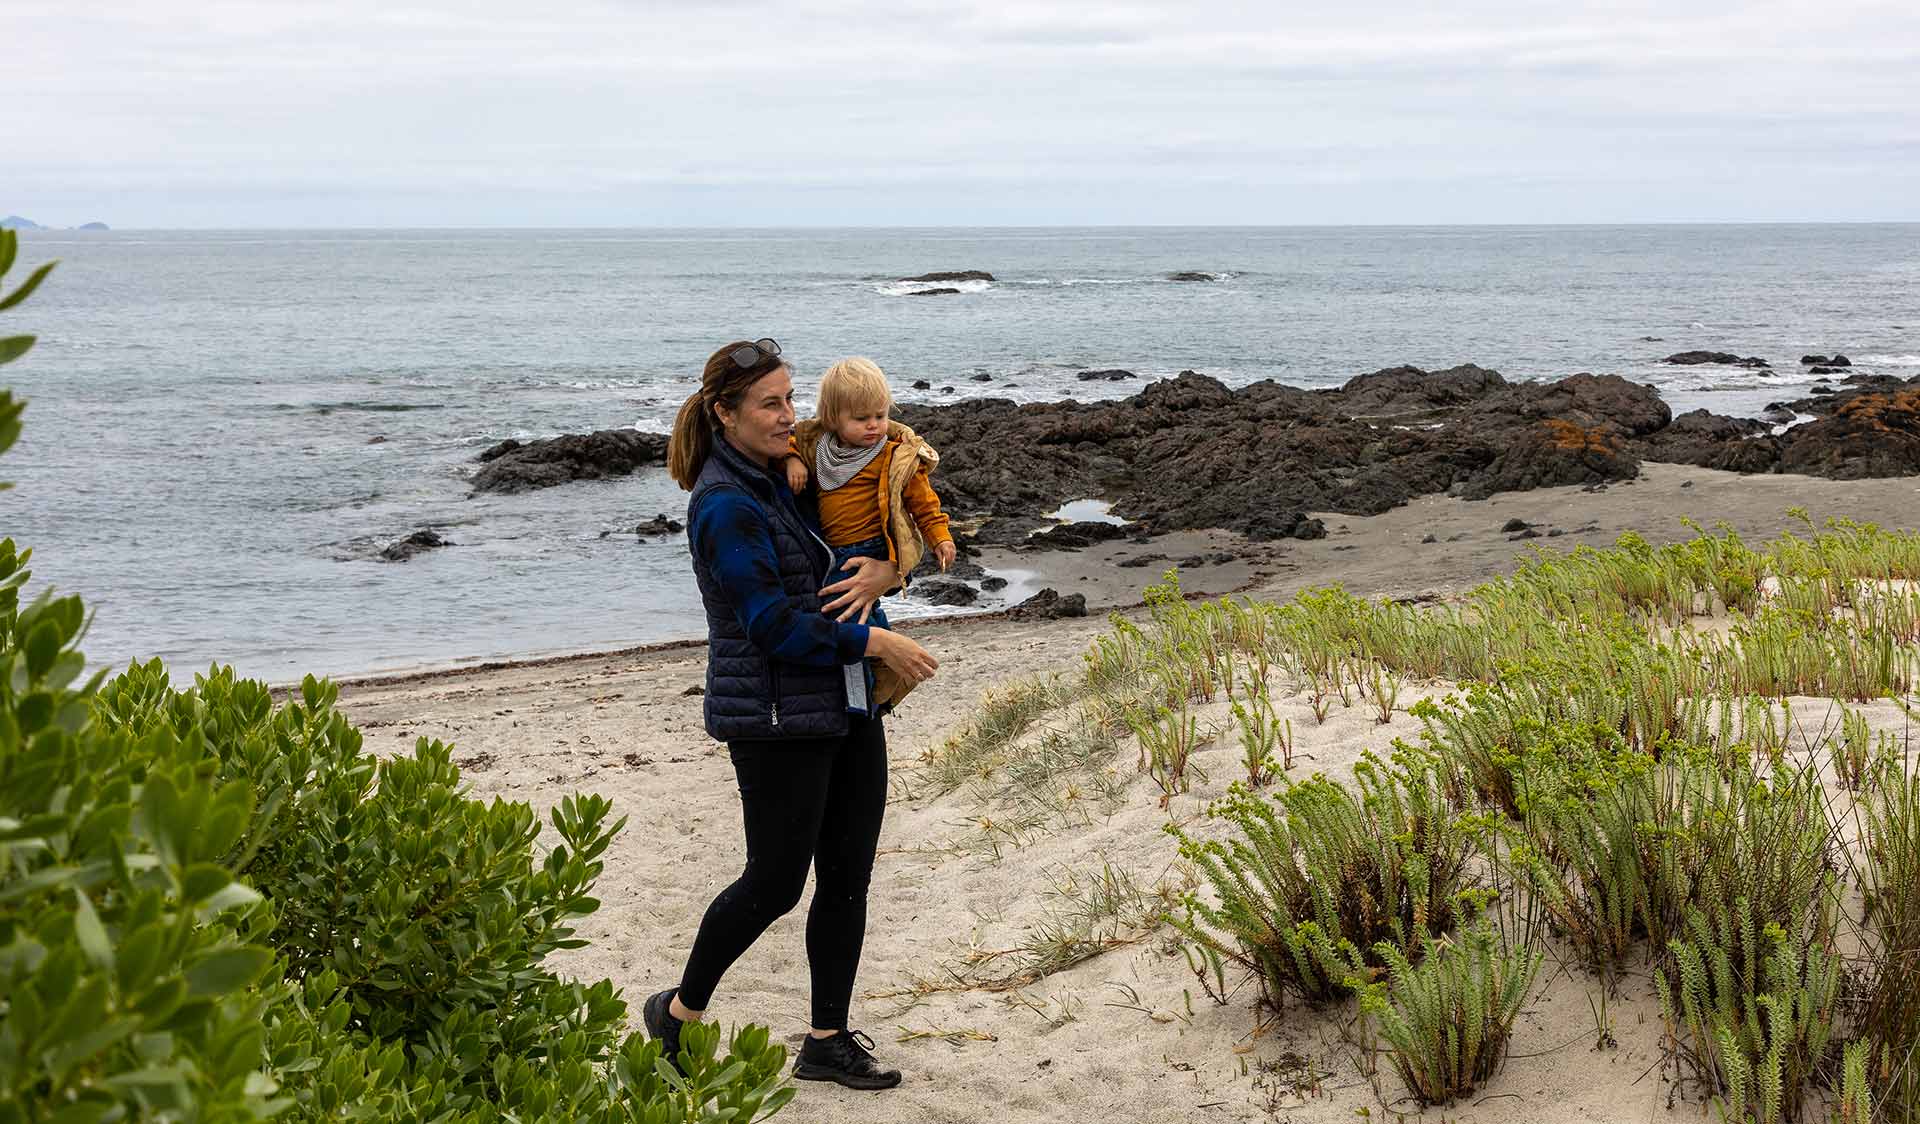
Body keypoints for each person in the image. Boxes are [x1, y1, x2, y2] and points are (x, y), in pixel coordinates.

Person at [645, 337, 937, 1092]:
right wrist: (878, 641)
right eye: (771, 403)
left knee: (847, 877)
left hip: (844, 702)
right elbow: (773, 624)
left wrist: (889, 572)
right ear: (725, 413)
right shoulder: (724, 506)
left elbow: (846, 564)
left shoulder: (785, 479)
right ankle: (678, 1012)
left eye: (790, 398)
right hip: (774, 718)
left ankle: (827, 1040)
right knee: (775, 883)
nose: (789, 415)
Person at [783, 356, 955, 711]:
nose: (874, 425)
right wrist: (792, 460)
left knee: (850, 615)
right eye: (861, 419)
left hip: (870, 548)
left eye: (880, 415)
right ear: (832, 417)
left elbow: (923, 502)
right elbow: (789, 439)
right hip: (832, 550)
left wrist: (941, 537)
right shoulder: (816, 447)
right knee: (850, 612)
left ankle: (869, 692)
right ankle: (884, 672)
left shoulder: (894, 455)